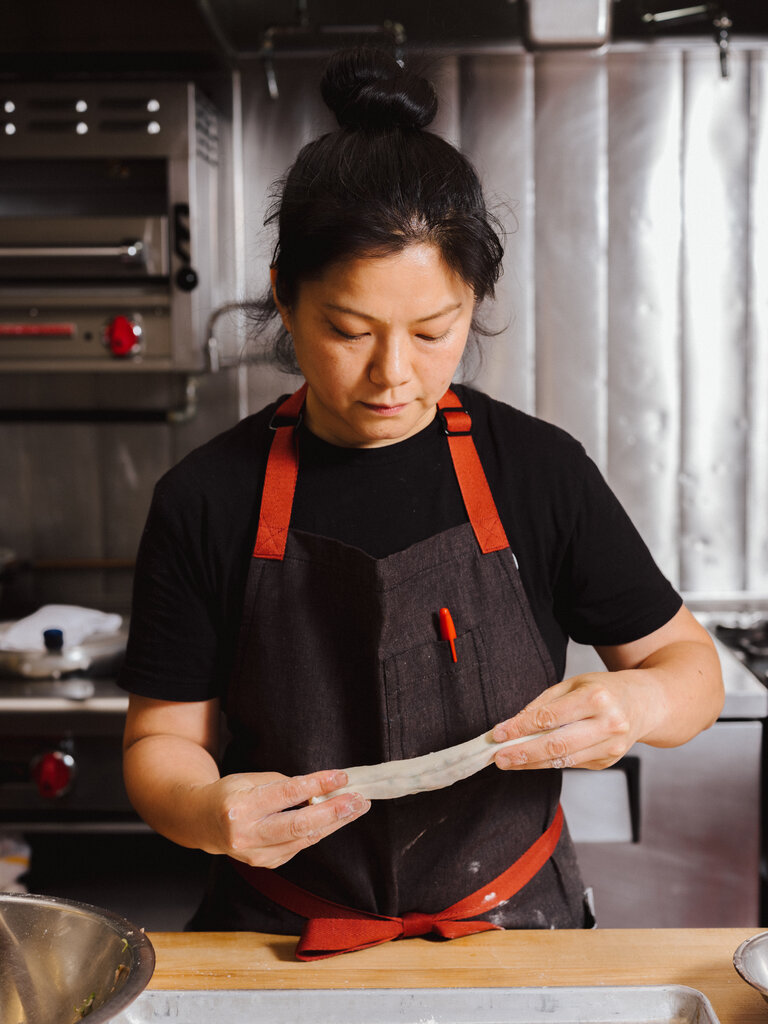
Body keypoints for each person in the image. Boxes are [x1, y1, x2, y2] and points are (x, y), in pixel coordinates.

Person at [119, 47, 724, 958]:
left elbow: (691, 670)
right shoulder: (208, 497)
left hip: (515, 935)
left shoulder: (537, 469)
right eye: (348, 331)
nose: (393, 375)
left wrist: (636, 706)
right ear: (285, 294)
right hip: (281, 943)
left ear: (474, 301)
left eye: (434, 331)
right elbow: (159, 745)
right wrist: (205, 811)